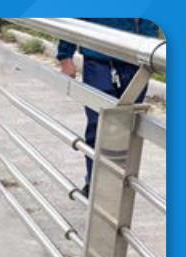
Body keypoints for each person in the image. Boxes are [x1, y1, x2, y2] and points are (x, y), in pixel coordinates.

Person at [56, 18, 159, 196]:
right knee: (99, 124)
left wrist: (150, 52)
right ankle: (95, 183)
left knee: (128, 127)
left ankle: (120, 184)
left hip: (134, 60)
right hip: (98, 58)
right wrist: (65, 55)